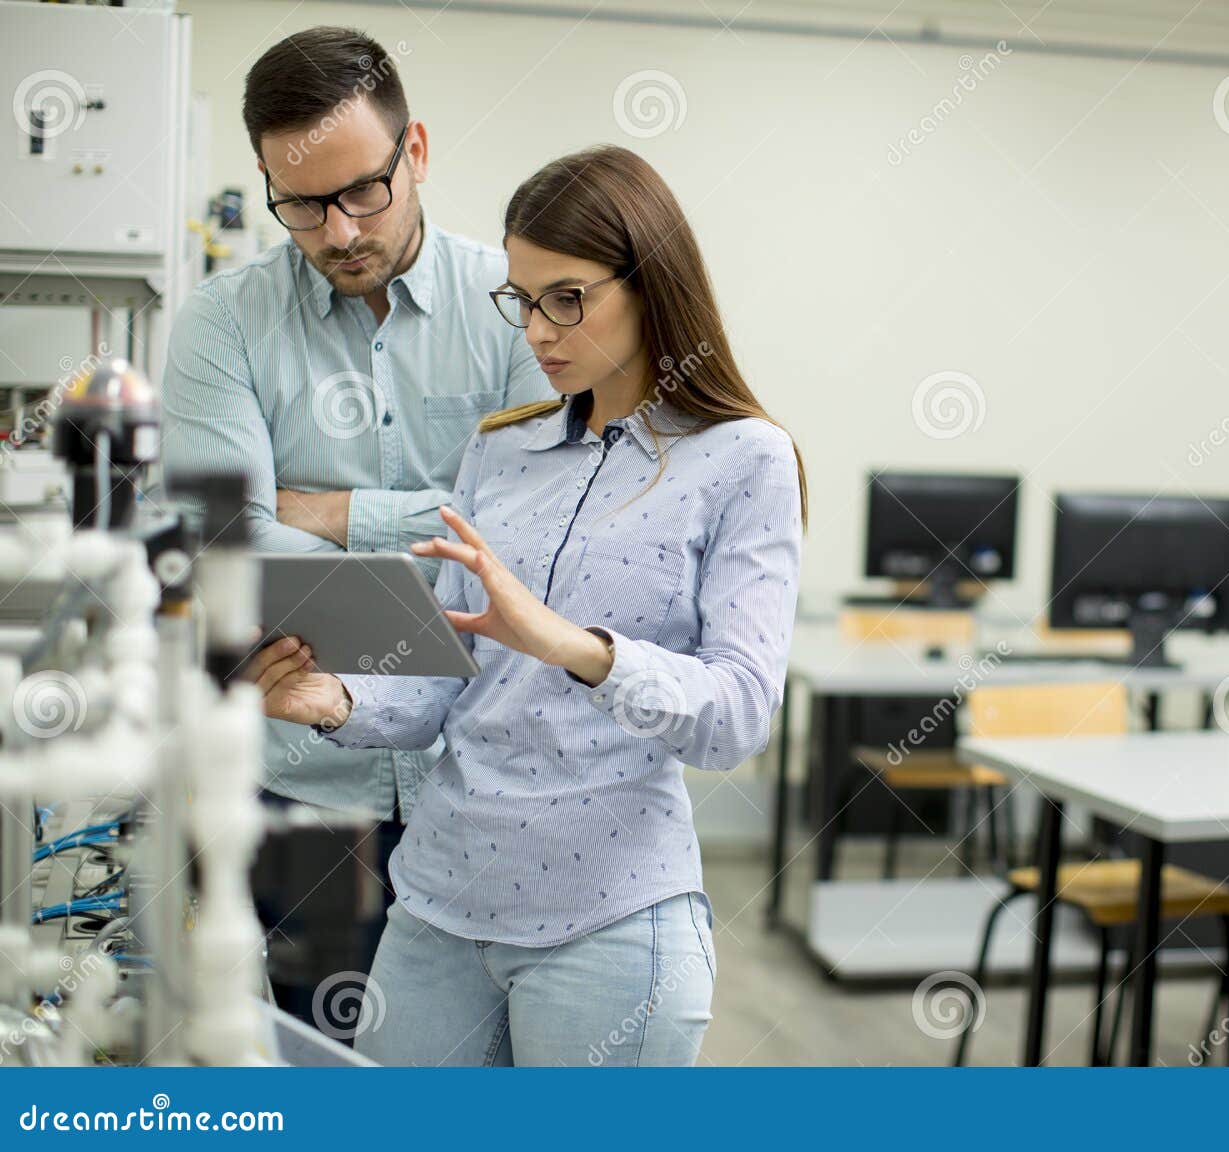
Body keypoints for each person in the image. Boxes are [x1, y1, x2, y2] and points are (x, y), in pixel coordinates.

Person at [246, 144, 806, 1065]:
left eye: (567, 298)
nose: (537, 331)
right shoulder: (499, 452)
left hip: (609, 920)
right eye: (521, 298)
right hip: (437, 901)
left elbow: (735, 719)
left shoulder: (745, 460)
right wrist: (334, 700)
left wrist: (574, 645)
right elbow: (445, 685)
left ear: (652, 281)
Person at [160, 27, 552, 1005]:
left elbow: (537, 542)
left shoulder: (517, 308)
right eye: (299, 203)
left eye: (362, 192)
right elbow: (224, 543)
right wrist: (444, 549)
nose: (337, 231)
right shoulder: (223, 323)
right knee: (306, 1065)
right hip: (297, 782)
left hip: (482, 781)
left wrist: (341, 514)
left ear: (413, 152)